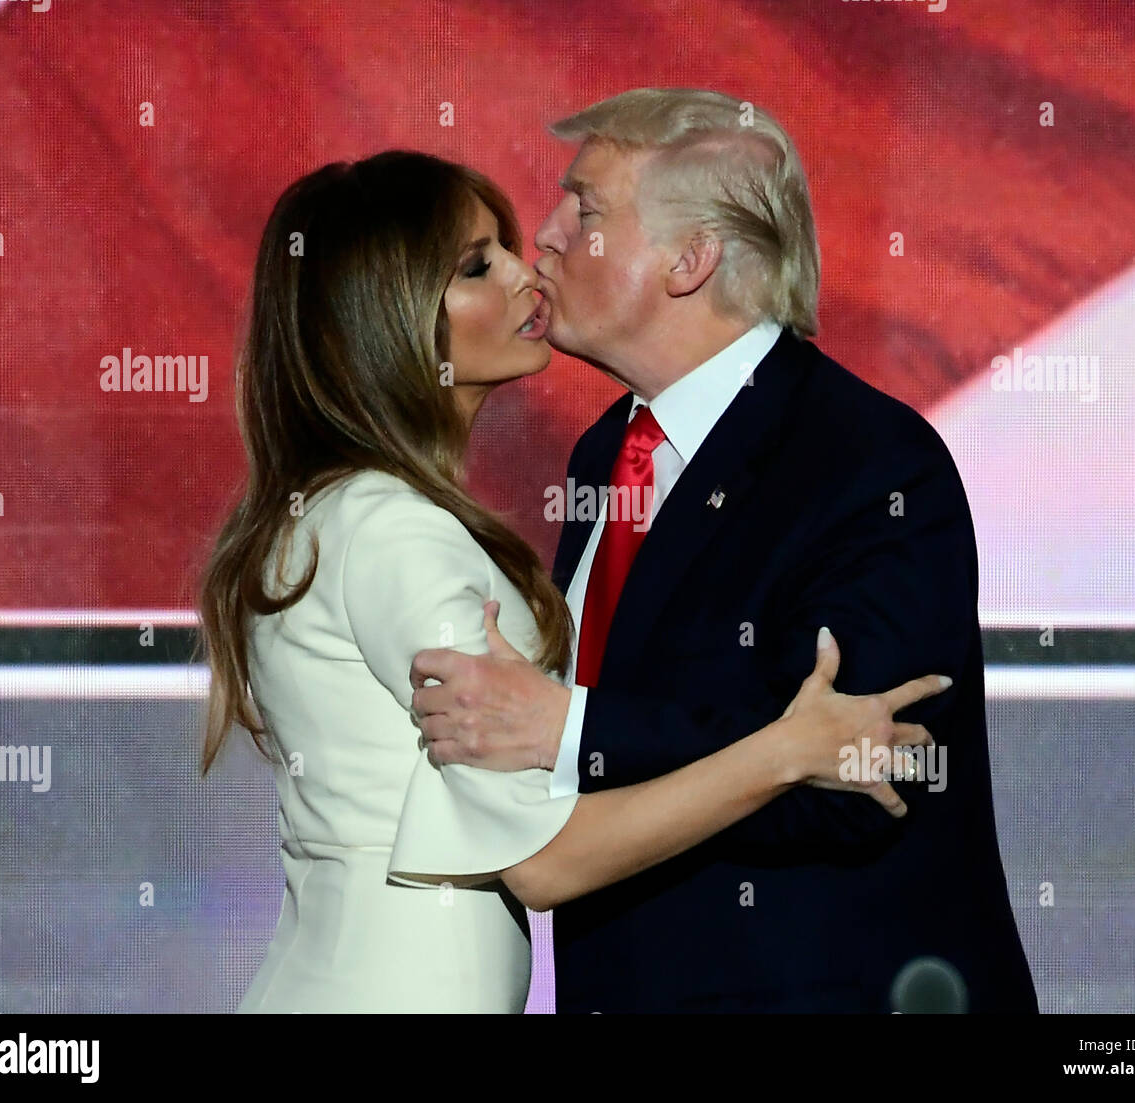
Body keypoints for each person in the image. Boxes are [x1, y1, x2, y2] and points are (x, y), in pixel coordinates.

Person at [197, 149, 949, 1013]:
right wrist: (786, 749)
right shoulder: (396, 529)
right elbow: (545, 860)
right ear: (383, 321)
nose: (531, 271)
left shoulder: (343, 510)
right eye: (479, 266)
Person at [409, 89, 1040, 1013]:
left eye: (584, 208)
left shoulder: (868, 459)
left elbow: (865, 766)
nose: (543, 235)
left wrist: (567, 727)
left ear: (691, 259)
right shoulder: (608, 452)